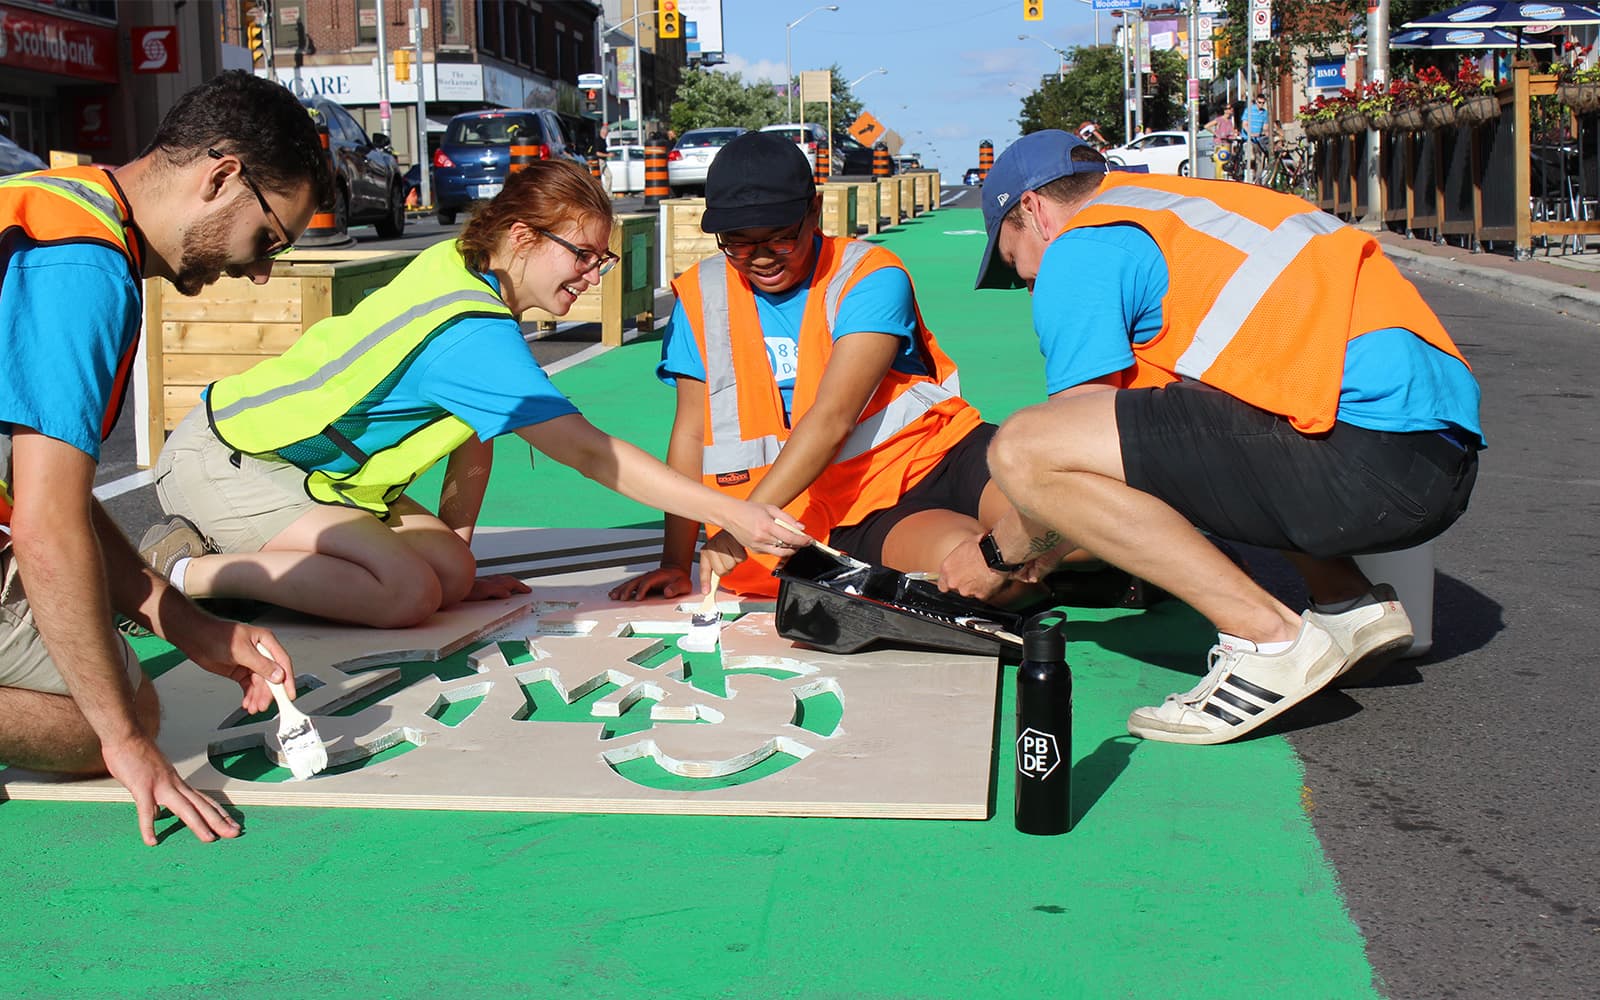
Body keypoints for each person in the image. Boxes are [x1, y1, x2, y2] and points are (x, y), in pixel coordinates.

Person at [960, 130, 1481, 745]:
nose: (1024, 282)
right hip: (1439, 460)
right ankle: (1347, 603)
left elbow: (1067, 445)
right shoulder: (1187, 208)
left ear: (1033, 211)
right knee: (1197, 415)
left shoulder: (1081, 246)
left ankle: (1267, 640)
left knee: (1024, 446)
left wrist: (996, 556)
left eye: (1013, 259)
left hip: (1363, 466)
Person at [143, 158, 809, 629]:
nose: (591, 275)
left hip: (321, 479)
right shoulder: (472, 331)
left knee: (447, 581)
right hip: (236, 462)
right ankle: (182, 570)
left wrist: (458, 563)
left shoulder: (464, 270)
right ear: (523, 237)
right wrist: (736, 515)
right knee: (405, 594)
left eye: (598, 261)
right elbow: (588, 454)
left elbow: (473, 444)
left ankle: (299, 565)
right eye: (582, 255)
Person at [0, 71, 334, 845]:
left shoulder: (64, 200)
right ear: (221, 178)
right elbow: (47, 530)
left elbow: (57, 495)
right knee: (116, 716)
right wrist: (124, 743)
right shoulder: (84, 269)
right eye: (268, 241)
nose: (259, 273)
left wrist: (194, 629)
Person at [610, 130, 1036, 604]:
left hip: (938, 456)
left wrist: (743, 521)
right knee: (981, 576)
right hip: (856, 508)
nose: (762, 256)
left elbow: (833, 417)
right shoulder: (702, 297)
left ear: (813, 212)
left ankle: (1084, 565)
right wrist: (675, 561)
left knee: (1056, 522)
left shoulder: (869, 276)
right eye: (739, 243)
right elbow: (690, 433)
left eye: (781, 237)